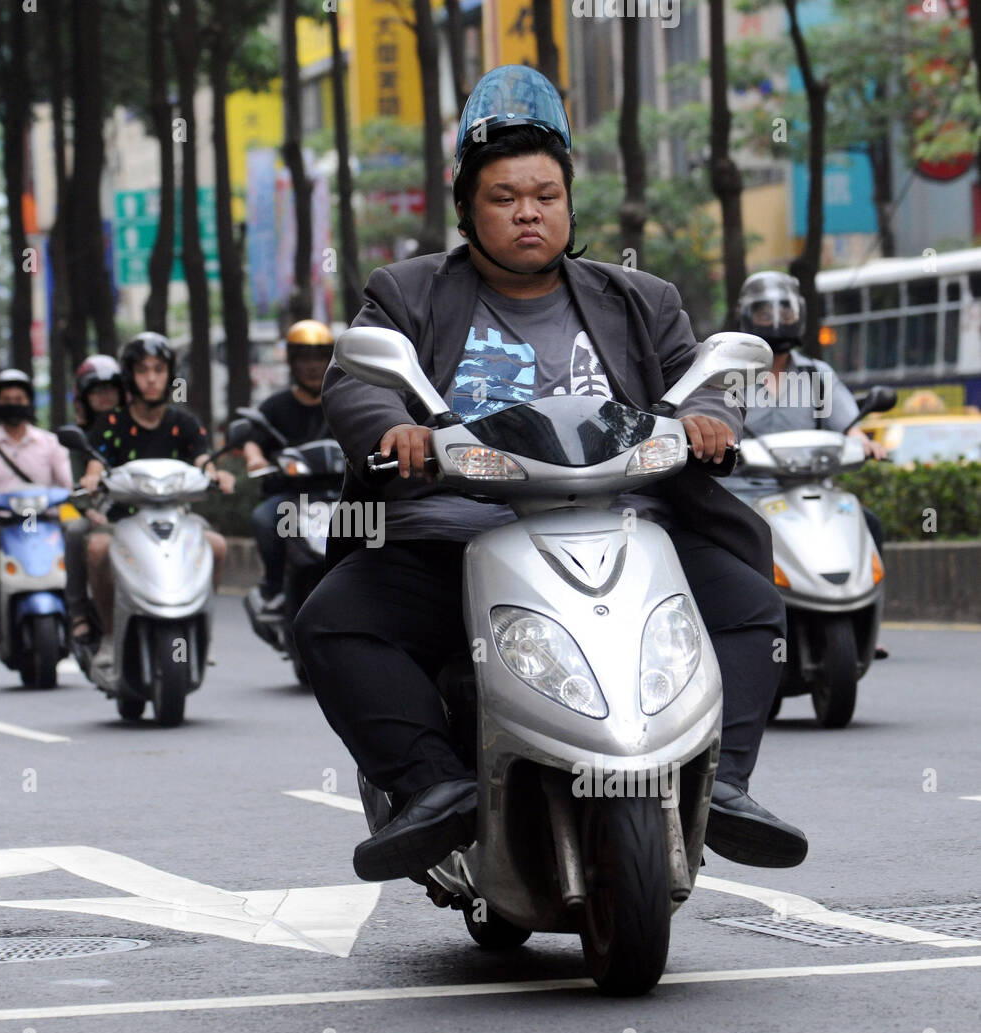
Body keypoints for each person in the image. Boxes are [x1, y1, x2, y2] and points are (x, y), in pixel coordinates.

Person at [293, 64, 807, 883]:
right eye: (503, 197)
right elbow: (357, 378)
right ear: (467, 209)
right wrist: (397, 431)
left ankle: (730, 786)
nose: (527, 211)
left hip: (628, 527)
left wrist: (714, 419)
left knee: (754, 606)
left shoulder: (641, 297)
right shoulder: (408, 291)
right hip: (453, 538)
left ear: (570, 204)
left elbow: (702, 375)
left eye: (545, 194)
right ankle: (434, 788)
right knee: (330, 621)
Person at [734, 270, 890, 658]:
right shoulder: (726, 377)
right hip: (741, 495)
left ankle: (865, 624)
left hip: (806, 494)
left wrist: (862, 443)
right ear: (747, 317)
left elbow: (848, 425)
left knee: (868, 524)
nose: (775, 320)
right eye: (764, 313)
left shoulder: (817, 375)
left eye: (784, 312)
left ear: (799, 314)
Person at [78, 332, 235, 675]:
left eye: (159, 369)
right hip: (121, 520)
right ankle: (108, 635)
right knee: (96, 549)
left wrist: (218, 476)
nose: (151, 378)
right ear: (130, 376)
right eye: (143, 370)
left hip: (176, 520)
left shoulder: (185, 423)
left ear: (169, 374)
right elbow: (95, 463)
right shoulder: (111, 424)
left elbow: (203, 461)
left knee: (217, 547)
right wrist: (91, 479)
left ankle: (201, 631)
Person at [0, 369, 73, 644]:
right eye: (6, 398)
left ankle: (80, 616)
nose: (13, 403)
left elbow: (67, 483)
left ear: (29, 402)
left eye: (19, 398)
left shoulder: (49, 442)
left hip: (44, 521)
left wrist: (73, 494)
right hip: (4, 524)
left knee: (76, 543)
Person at [242, 320, 334, 619]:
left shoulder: (345, 402)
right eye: (304, 357)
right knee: (264, 518)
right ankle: (274, 587)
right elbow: (253, 439)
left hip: (343, 497)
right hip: (291, 498)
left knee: (382, 522)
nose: (312, 365)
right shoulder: (275, 406)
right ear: (293, 362)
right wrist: (255, 457)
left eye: (319, 356)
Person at [63, 354, 125, 648]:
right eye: (96, 390)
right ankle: (79, 613)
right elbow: (72, 482)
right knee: (76, 532)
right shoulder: (78, 437)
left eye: (110, 389)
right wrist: (89, 512)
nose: (104, 396)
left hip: (138, 510)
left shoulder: (134, 428)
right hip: (98, 514)